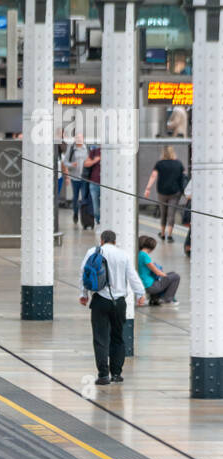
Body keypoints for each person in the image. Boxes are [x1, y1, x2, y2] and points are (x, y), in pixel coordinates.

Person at [79, 229, 146, 385]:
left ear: (101, 240)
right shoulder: (123, 255)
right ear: (115, 241)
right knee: (117, 337)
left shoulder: (92, 252)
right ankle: (116, 374)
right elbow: (132, 275)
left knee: (100, 338)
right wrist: (140, 293)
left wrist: (83, 294)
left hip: (100, 301)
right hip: (119, 302)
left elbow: (84, 274)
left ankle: (103, 375)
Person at [144, 144, 186, 241]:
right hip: (175, 193)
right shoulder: (178, 163)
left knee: (163, 213)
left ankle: (162, 234)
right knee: (171, 214)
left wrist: (148, 188)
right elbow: (184, 177)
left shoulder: (160, 163)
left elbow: (153, 176)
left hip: (162, 192)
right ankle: (170, 235)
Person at [137, 235, 180, 305]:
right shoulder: (144, 255)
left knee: (172, 274)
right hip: (150, 286)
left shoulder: (139, 254)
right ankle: (167, 298)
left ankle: (155, 298)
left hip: (146, 284)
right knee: (175, 276)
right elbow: (157, 272)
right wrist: (166, 277)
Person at [64, 135, 86, 223]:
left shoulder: (86, 148)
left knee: (84, 197)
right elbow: (65, 162)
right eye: (77, 138)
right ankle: (75, 213)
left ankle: (84, 215)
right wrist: (71, 165)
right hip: (74, 177)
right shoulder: (71, 149)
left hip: (84, 178)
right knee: (75, 197)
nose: (79, 139)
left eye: (80, 138)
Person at [83, 144, 101, 224]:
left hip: (108, 186)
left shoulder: (113, 152)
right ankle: (98, 222)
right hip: (94, 183)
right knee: (96, 207)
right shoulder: (95, 151)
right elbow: (86, 164)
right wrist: (95, 160)